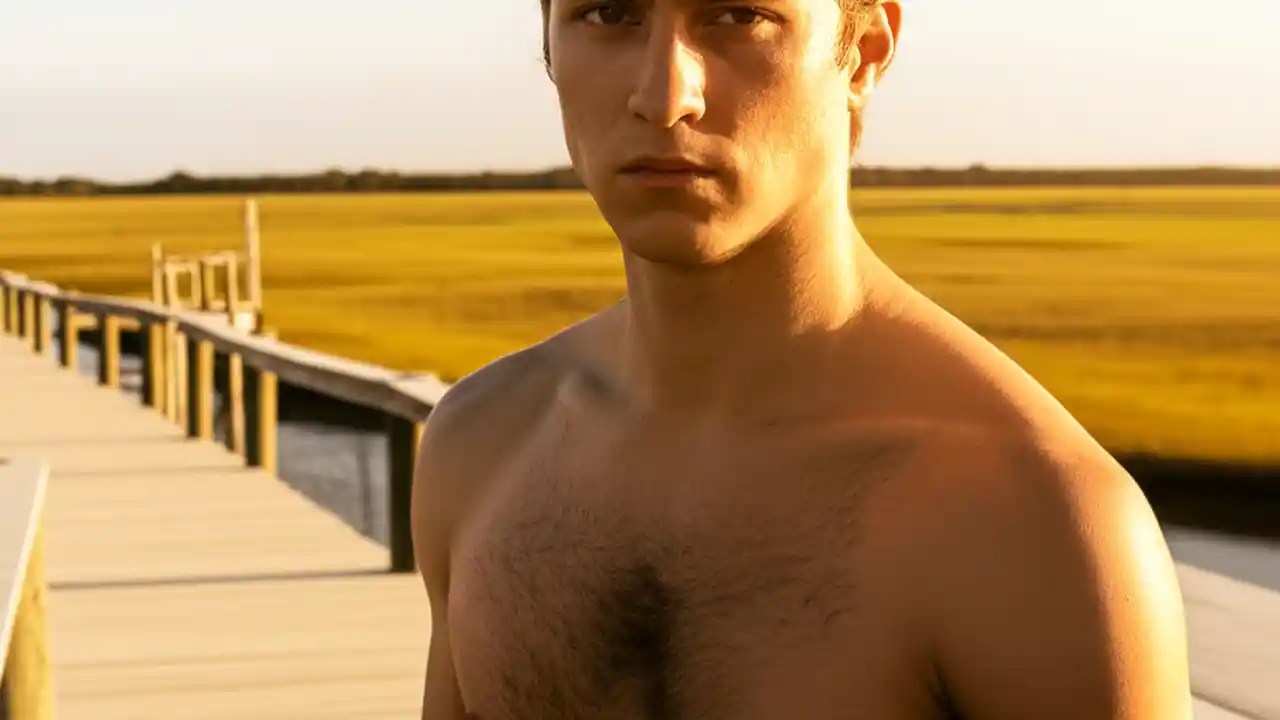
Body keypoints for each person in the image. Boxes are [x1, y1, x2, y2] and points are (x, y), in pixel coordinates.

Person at [411, 0, 1193, 717]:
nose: (666, 94)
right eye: (609, 14)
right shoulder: (480, 444)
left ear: (863, 53)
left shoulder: (1035, 521)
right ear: (548, 40)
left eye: (737, 15)